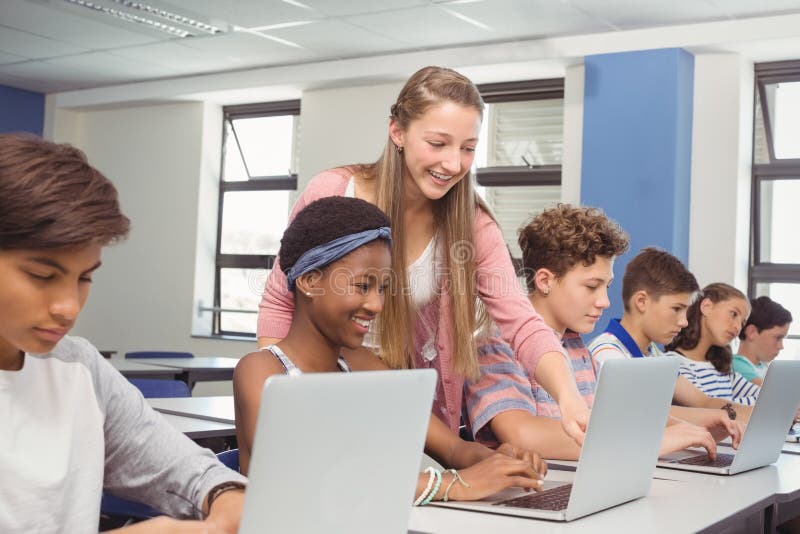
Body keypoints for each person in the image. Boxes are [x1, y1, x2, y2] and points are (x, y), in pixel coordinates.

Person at [256, 66, 589, 445]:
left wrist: (568, 395)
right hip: (322, 393)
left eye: (467, 148)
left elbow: (522, 322)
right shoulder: (335, 192)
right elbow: (279, 302)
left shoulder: (472, 224)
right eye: (438, 143)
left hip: (410, 413)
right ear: (397, 131)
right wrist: (286, 394)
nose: (453, 163)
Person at [0, 134, 245, 533]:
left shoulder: (77, 367)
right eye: (42, 275)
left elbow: (175, 464)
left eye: (84, 279)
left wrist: (224, 494)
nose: (69, 307)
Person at [235, 196, 546, 504]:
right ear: (309, 281)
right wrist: (454, 485)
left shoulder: (361, 364)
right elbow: (313, 478)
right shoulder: (261, 371)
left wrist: (498, 459)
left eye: (382, 288)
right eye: (363, 286)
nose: (377, 305)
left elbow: (452, 449)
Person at [463, 205, 738, 460]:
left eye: (606, 287)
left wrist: (696, 425)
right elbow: (522, 434)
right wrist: (647, 442)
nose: (604, 302)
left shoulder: (575, 346)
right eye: (591, 286)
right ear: (545, 281)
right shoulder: (494, 345)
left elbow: (623, 413)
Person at [588, 248, 753, 422]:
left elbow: (702, 401)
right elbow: (646, 417)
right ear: (642, 302)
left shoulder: (655, 355)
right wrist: (723, 417)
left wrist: (753, 415)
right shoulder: (608, 354)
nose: (684, 322)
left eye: (686, 311)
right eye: (676, 309)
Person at [664, 283, 761, 406]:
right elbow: (709, 408)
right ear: (706, 306)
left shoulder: (721, 368)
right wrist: (757, 405)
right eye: (733, 314)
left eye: (742, 323)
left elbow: (763, 396)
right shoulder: (675, 363)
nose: (737, 327)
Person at [733, 296, 793, 386]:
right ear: (752, 332)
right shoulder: (736, 366)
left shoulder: (764, 367)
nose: (781, 346)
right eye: (777, 338)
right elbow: (774, 394)